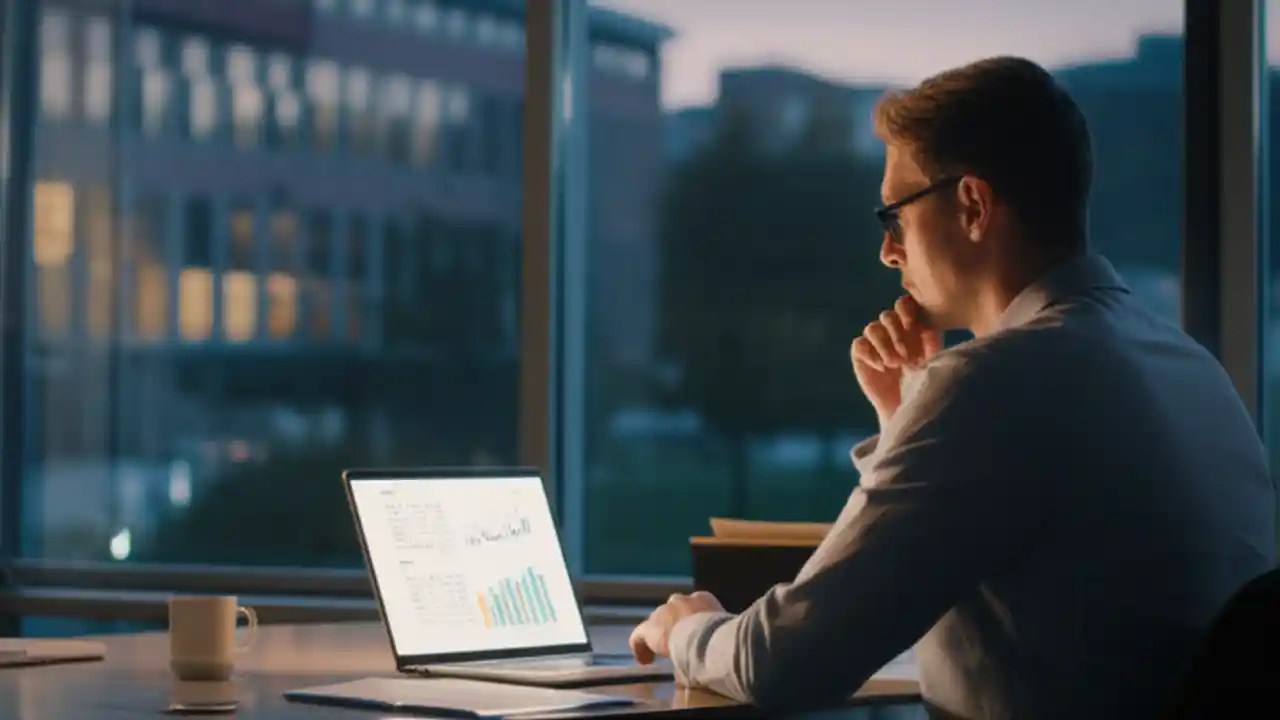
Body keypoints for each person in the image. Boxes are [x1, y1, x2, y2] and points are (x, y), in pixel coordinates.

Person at [628, 56, 1277, 719]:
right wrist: (905, 418)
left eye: (896, 216)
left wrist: (689, 627)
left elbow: (786, 663)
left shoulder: (993, 385)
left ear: (971, 205)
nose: (888, 252)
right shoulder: (1192, 368)